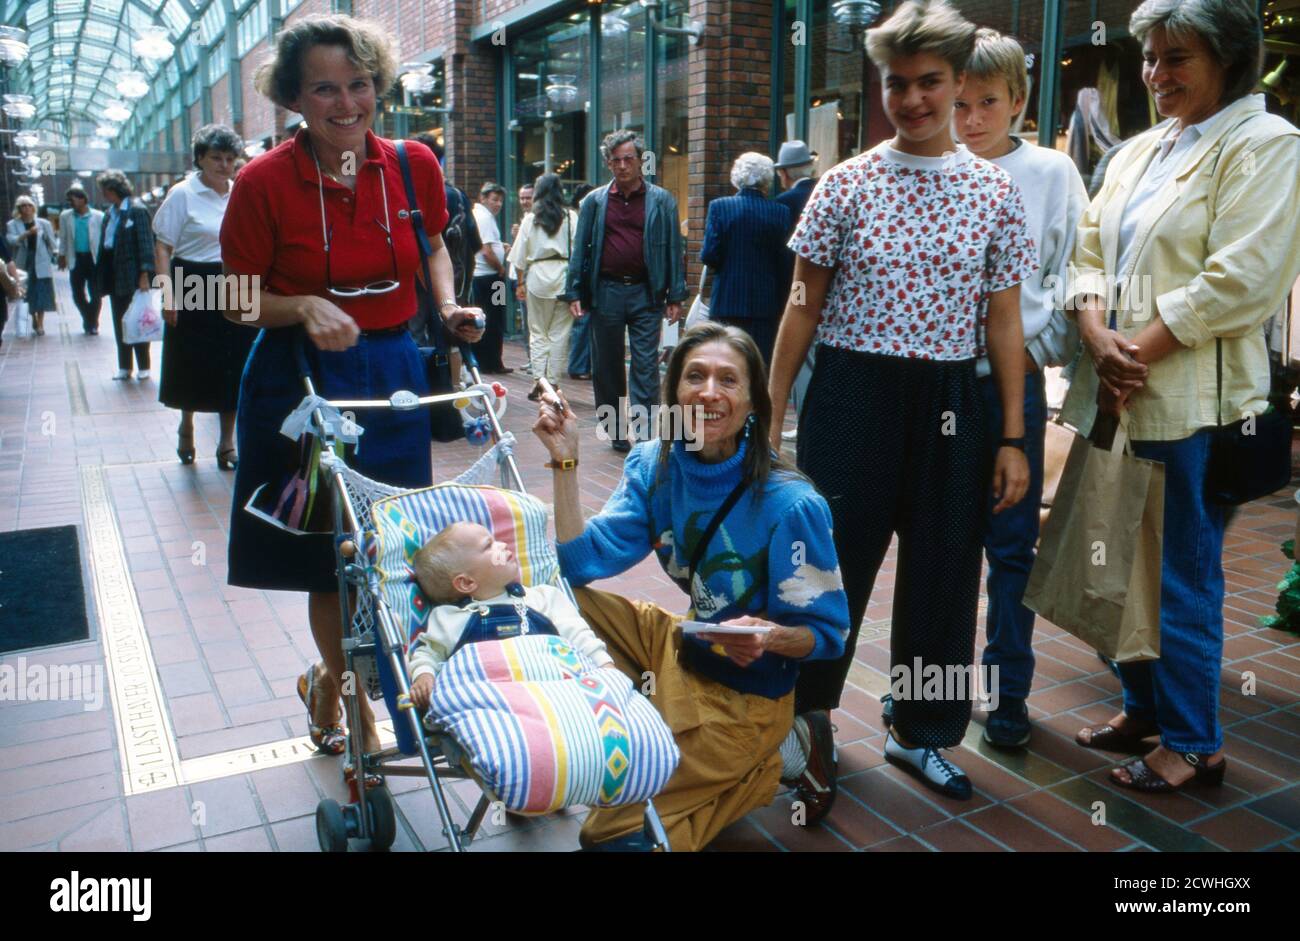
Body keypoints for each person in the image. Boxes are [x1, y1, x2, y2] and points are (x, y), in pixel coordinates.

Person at [767, 0, 1036, 800]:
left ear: (958, 83)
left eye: (931, 82)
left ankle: (921, 731)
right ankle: (806, 721)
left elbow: (1005, 318)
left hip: (955, 400)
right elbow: (801, 305)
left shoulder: (994, 190)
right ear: (878, 84)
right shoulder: (843, 185)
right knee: (829, 563)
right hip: (852, 394)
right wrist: (771, 416)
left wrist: (1015, 437)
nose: (913, 100)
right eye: (897, 83)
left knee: (945, 570)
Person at [219, 13, 484, 757]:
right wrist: (300, 304)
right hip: (300, 380)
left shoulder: (411, 163)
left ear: (379, 86)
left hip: (393, 370)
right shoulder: (262, 182)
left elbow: (432, 241)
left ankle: (385, 682)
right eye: (324, 89)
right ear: (293, 99)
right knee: (332, 555)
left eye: (359, 84)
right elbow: (234, 300)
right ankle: (344, 692)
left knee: (392, 543)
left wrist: (448, 302)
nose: (346, 104)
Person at [1066, 0, 1300, 793]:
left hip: (1189, 404)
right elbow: (1087, 245)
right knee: (1116, 565)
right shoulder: (1139, 151)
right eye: (1150, 56)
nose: (1155, 74)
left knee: (1180, 575)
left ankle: (1195, 743)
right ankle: (1143, 709)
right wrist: (1098, 336)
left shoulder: (1265, 143)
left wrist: (1133, 351)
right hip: (1119, 391)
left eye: (1177, 58)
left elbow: (1242, 278)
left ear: (1227, 61)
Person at [533, 322, 849, 851]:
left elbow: (828, 636)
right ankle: (641, 728)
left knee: (611, 836)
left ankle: (774, 758)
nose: (708, 391)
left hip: (745, 701)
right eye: (695, 376)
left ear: (752, 403)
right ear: (674, 391)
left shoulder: (792, 506)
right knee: (548, 603)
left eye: (728, 380)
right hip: (682, 644)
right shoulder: (655, 465)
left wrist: (770, 636)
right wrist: (565, 460)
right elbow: (580, 564)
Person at [951, 27, 1090, 749]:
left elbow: (1073, 271)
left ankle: (1009, 693)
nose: (971, 119)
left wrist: (1034, 356)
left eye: (988, 103)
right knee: (939, 542)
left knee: (1011, 544)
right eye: (961, 103)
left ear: (1019, 102)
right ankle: (932, 691)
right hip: (937, 384)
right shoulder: (928, 167)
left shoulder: (1050, 174)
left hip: (1015, 384)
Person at [564, 130, 687, 453]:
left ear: (640, 160)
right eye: (615, 160)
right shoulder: (594, 201)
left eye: (628, 158)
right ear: (608, 163)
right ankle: (616, 431)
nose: (622, 166)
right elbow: (581, 249)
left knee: (646, 365)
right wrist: (574, 290)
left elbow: (675, 247)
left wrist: (675, 296)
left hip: (647, 293)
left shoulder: (661, 200)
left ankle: (646, 434)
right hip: (606, 291)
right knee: (606, 364)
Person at [407, 522, 616, 707]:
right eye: (489, 546)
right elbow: (428, 654)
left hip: (556, 691)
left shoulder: (544, 597)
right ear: (467, 582)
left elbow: (579, 636)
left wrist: (604, 666)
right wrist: (424, 676)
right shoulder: (450, 618)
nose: (502, 545)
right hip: (491, 700)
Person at [153, 124, 254, 470]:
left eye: (230, 159)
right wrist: (168, 295)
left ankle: (227, 442)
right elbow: (163, 247)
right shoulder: (183, 193)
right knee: (193, 359)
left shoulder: (241, 190)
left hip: (233, 279)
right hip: (192, 279)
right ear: (200, 158)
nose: (224, 165)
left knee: (234, 359)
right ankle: (187, 425)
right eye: (216, 158)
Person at [700, 154, 791, 368]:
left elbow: (709, 255)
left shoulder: (719, 207)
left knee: (726, 364)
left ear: (737, 176)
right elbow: (786, 264)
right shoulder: (781, 213)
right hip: (765, 306)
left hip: (727, 302)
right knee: (759, 366)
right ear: (768, 180)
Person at [506, 173, 578, 385]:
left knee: (538, 332)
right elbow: (579, 250)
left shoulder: (531, 219)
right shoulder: (571, 217)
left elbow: (519, 256)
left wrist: (519, 283)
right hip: (564, 274)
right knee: (560, 333)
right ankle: (553, 381)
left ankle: (540, 381)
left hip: (538, 274)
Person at [773, 141, 818, 441]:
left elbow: (780, 256)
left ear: (785, 173)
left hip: (797, 291)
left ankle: (804, 422)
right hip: (828, 294)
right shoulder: (827, 191)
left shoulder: (784, 203)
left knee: (802, 361)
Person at [96, 170, 156, 379]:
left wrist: (145, 274)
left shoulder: (137, 211)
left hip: (132, 275)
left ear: (115, 190)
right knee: (120, 320)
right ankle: (124, 366)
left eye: (106, 191)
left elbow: (146, 244)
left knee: (138, 319)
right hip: (113, 274)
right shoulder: (108, 213)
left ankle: (144, 366)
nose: (104, 195)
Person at [471, 181, 512, 374]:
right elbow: (486, 251)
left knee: (488, 317)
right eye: (494, 200)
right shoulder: (485, 217)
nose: (498, 204)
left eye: (501, 201)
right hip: (492, 278)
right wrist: (501, 268)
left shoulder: (480, 215)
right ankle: (493, 362)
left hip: (483, 278)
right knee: (495, 318)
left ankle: (487, 361)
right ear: (483, 198)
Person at [6, 196, 58, 338]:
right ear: (19, 209)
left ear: (33, 207)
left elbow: (51, 242)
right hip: (24, 262)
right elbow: (12, 240)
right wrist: (27, 233)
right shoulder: (12, 224)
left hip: (41, 261)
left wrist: (57, 255)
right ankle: (33, 317)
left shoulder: (43, 223)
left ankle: (40, 323)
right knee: (26, 293)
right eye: (23, 206)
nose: (26, 208)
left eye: (29, 205)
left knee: (41, 291)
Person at [58, 185, 105, 335]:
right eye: (69, 200)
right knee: (77, 293)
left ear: (83, 199)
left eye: (73, 199)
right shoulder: (66, 216)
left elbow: (103, 239)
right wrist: (61, 255)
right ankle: (88, 318)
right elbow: (63, 237)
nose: (70, 203)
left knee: (96, 293)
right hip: (76, 258)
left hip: (93, 259)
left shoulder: (98, 216)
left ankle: (92, 323)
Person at [565, 182, 596, 380]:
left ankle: (579, 364)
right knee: (582, 322)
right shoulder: (577, 218)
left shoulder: (576, 217)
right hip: (584, 277)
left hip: (581, 276)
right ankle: (578, 365)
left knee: (582, 322)